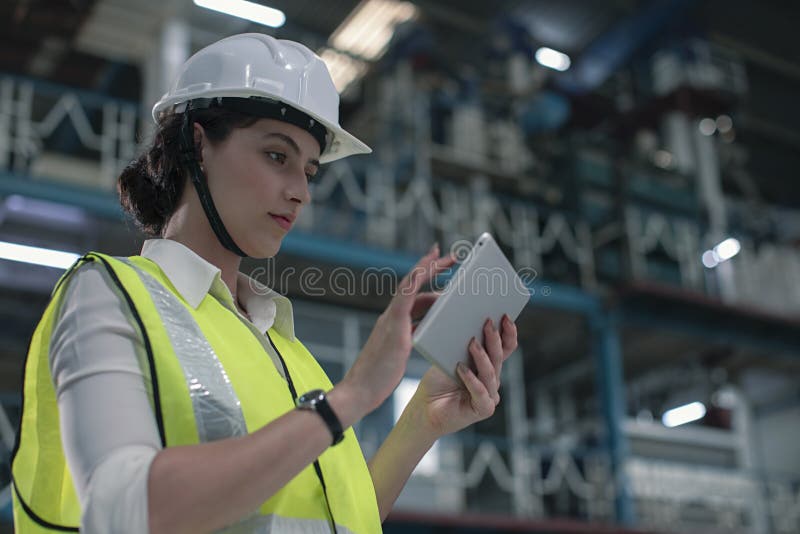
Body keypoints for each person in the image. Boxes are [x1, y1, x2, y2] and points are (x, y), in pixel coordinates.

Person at [11, 33, 518, 533]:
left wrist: (421, 423)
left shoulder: (284, 349)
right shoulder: (109, 296)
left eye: (310, 171)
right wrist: (353, 395)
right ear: (197, 145)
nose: (299, 192)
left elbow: (330, 519)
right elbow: (123, 510)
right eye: (278, 156)